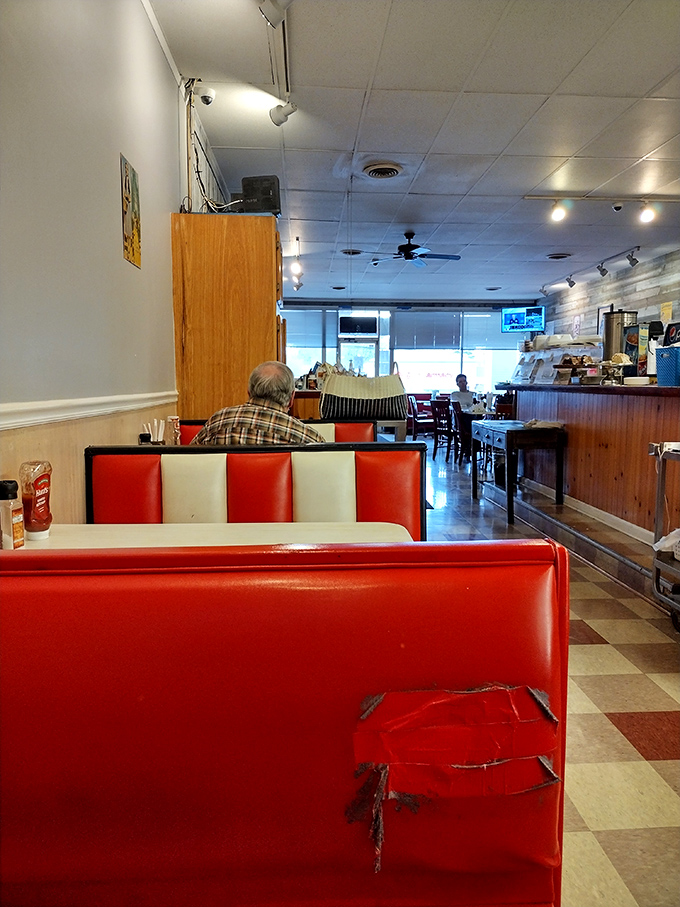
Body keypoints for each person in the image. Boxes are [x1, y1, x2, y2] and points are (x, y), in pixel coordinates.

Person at [191, 361, 326, 446]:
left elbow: (190, 459)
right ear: (292, 399)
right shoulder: (309, 438)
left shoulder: (218, 421)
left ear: (249, 392)